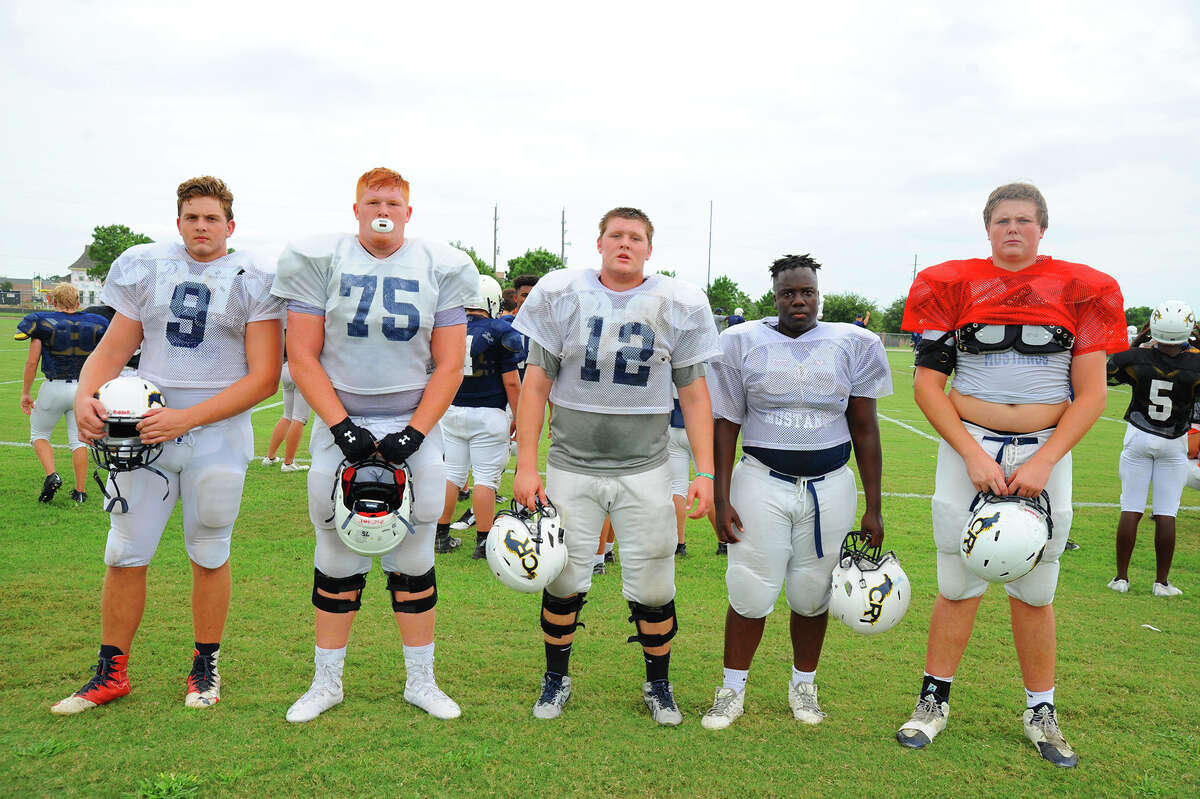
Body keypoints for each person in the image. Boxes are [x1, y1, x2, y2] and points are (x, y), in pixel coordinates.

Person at [897, 183, 1126, 767]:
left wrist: (1045, 461)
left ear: (1042, 228)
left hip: (1048, 446)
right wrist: (973, 455)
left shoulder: (1084, 289)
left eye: (1024, 220)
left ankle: (1041, 711)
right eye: (1003, 220)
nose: (1013, 229)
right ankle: (932, 701)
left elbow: (1093, 393)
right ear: (988, 228)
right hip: (969, 442)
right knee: (957, 579)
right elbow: (928, 385)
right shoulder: (952, 285)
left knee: (1036, 588)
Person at [54, 176, 283, 715]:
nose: (200, 227)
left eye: (211, 219)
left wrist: (186, 418)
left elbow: (264, 377)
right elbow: (113, 351)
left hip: (216, 432)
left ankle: (205, 665)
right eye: (191, 217)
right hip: (144, 429)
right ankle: (111, 671)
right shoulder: (147, 268)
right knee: (125, 551)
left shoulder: (255, 277)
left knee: (209, 550)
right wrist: (86, 395)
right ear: (178, 222)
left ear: (231, 226)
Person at [272, 167, 477, 723]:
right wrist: (343, 428)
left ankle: (421, 682)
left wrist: (413, 432)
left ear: (408, 211)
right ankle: (326, 684)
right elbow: (304, 356)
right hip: (341, 424)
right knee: (336, 552)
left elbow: (451, 361)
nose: (382, 207)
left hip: (416, 423)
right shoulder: (321, 260)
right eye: (372, 200)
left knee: (413, 554)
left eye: (392, 200)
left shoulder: (444, 265)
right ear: (356, 208)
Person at [512, 207, 719, 725]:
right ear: (598, 242)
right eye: (615, 235)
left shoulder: (678, 302)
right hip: (570, 465)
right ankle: (555, 679)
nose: (624, 244)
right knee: (562, 580)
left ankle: (659, 685)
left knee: (654, 584)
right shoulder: (562, 294)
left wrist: (705, 472)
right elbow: (535, 386)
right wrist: (526, 466)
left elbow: (694, 397)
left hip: (645, 467)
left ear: (650, 248)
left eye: (635, 237)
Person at [701, 253, 891, 730]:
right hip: (761, 479)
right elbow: (726, 426)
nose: (799, 300)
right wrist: (721, 497)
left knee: (812, 594)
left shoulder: (853, 343)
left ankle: (803, 683)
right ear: (775, 297)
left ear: (818, 294)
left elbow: (865, 428)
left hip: (831, 486)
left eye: (807, 291)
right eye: (789, 293)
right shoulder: (740, 342)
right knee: (749, 590)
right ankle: (731, 690)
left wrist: (875, 507)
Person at [1106, 300, 1200, 596]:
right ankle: (1161, 583)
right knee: (1166, 512)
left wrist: (1139, 341)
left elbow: (1110, 370)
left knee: (1130, 506)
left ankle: (1121, 578)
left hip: (1138, 435)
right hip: (1175, 441)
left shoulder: (1135, 357)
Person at [436, 273, 523, 558]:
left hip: (452, 410)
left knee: (452, 475)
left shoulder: (449, 326)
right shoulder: (501, 330)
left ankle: (440, 535)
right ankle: (483, 542)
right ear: (492, 300)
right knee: (485, 479)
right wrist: (521, 419)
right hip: (488, 414)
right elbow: (511, 382)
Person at [16, 283, 109, 504]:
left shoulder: (42, 323)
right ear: (78, 302)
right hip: (82, 388)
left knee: (39, 434)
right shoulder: (95, 323)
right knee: (78, 441)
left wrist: (25, 393)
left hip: (53, 387)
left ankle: (52, 475)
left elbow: (31, 363)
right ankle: (80, 492)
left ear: (53, 302)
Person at [262, 326, 312, 472]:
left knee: (287, 416)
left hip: (285, 367)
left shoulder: (286, 321)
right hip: (302, 368)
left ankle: (270, 457)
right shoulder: (307, 318)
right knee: (299, 418)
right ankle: (288, 463)